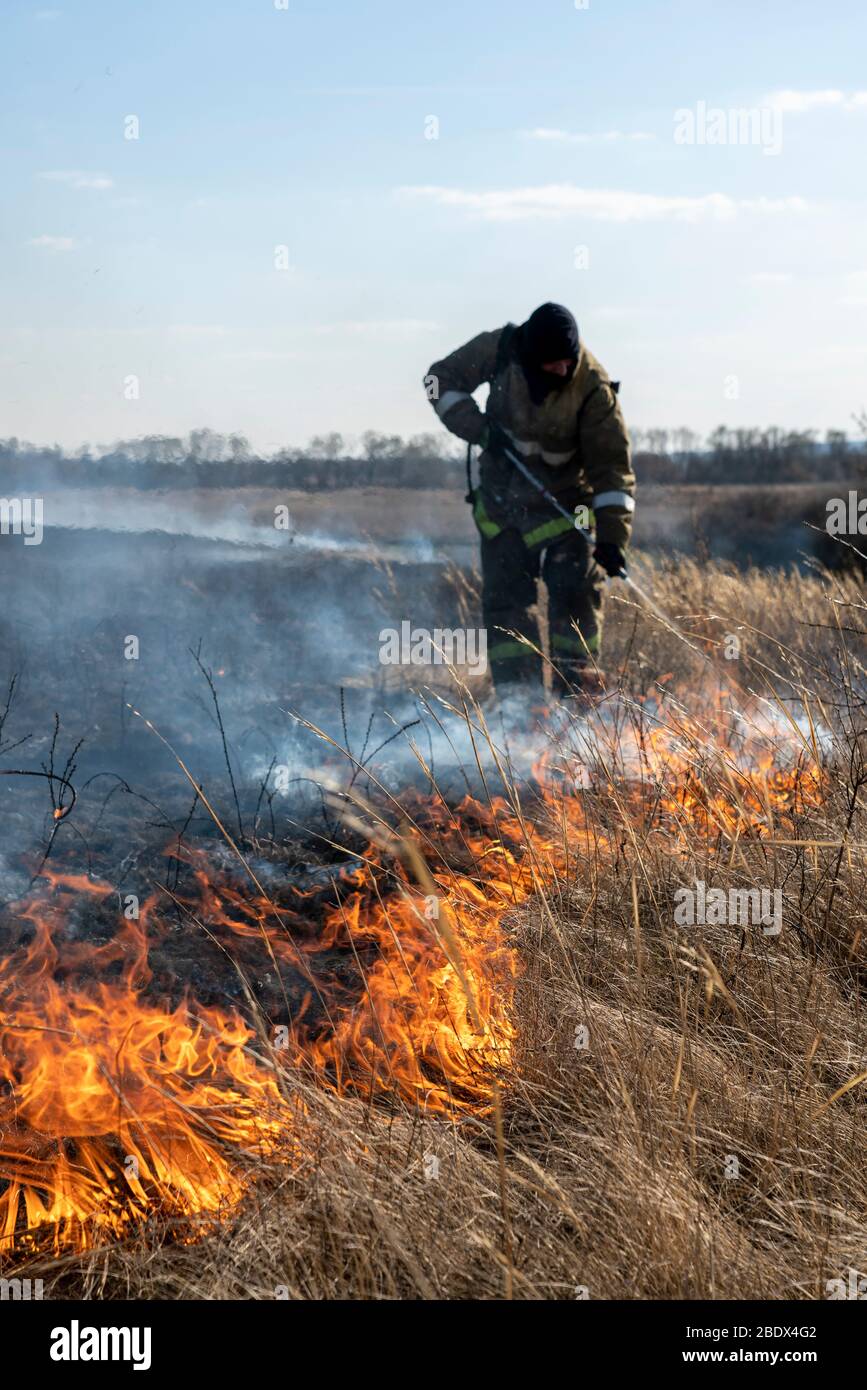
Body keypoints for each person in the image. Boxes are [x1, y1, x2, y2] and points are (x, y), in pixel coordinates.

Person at [425, 302, 635, 697]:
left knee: (575, 597)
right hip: (503, 506)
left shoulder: (594, 389)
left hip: (567, 510)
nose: (561, 370)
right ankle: (521, 709)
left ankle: (577, 706)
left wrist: (612, 540)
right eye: (551, 364)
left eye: (567, 363)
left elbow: (613, 473)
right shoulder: (502, 349)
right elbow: (439, 380)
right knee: (507, 607)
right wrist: (480, 429)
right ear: (531, 355)